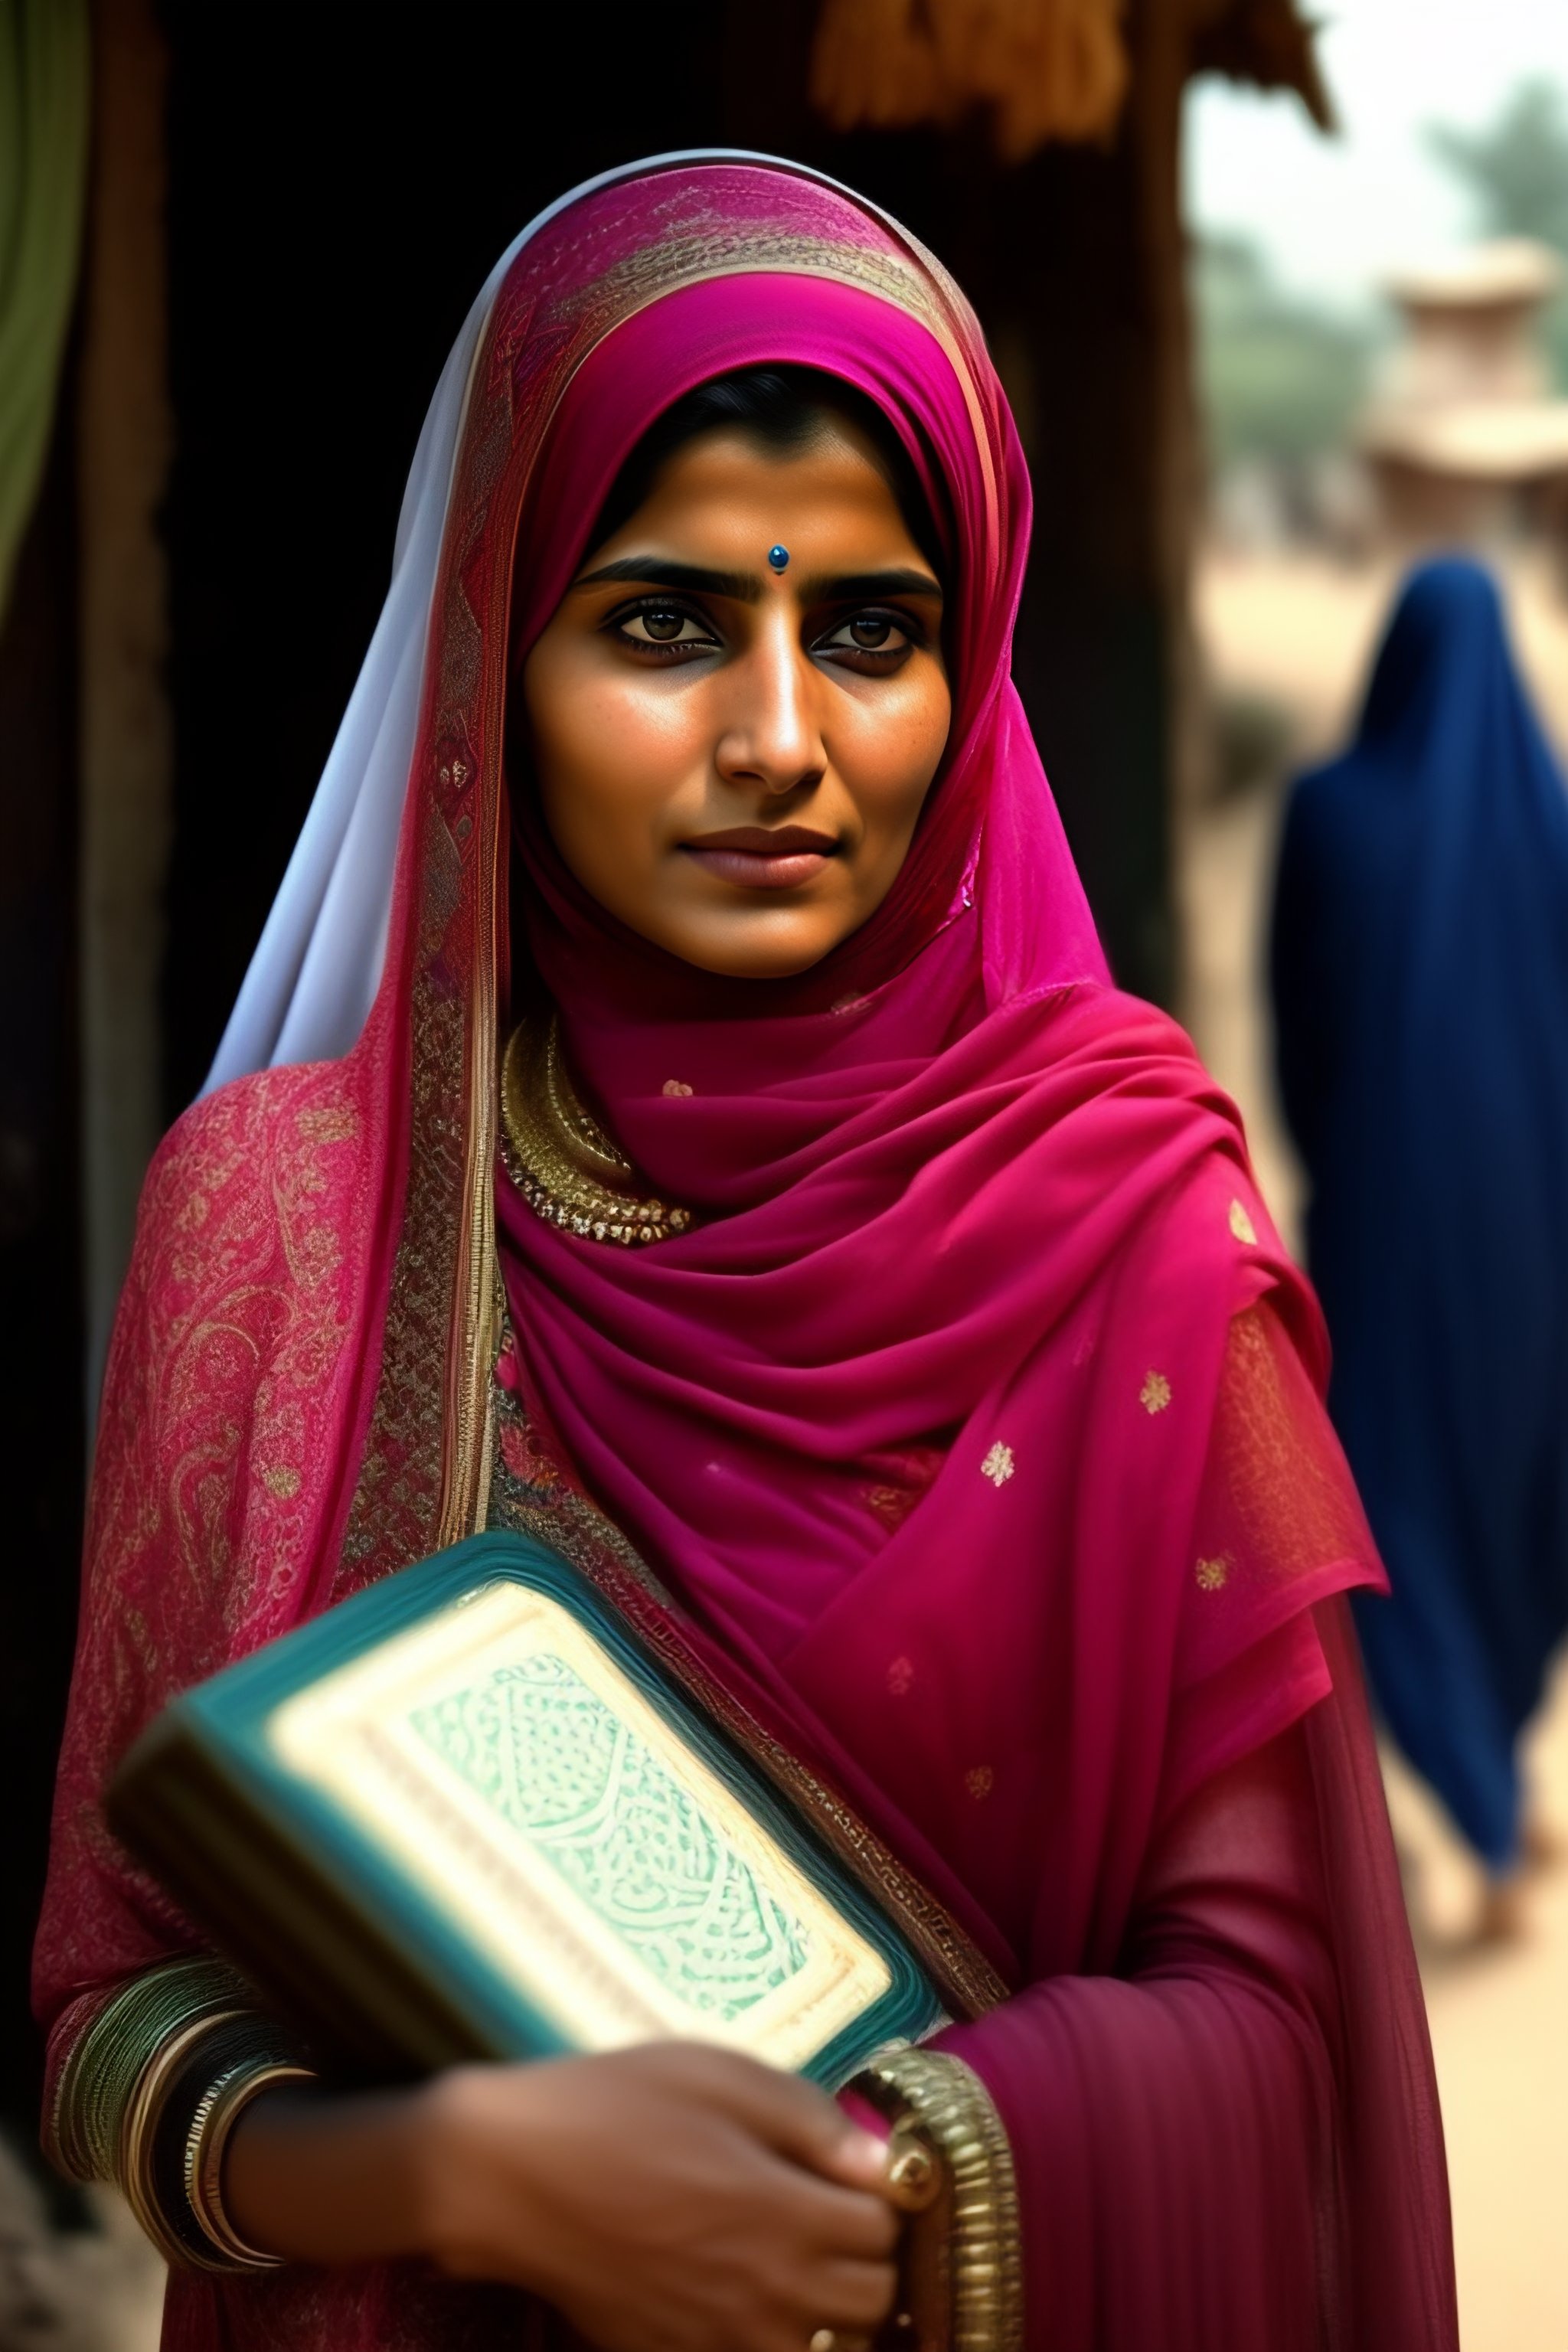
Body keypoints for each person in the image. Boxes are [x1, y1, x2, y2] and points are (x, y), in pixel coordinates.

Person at [35, 156, 1456, 2352]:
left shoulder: (1137, 1243)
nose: (780, 741)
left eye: (870, 632)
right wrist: (465, 2170)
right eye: (668, 623)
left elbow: (1285, 2039)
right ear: (499, 649)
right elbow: (112, 2007)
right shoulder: (279, 1223)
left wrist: (881, 2190)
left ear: (970, 668)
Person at [1271, 556, 1568, 1938]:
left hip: (1388, 1226)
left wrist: (1336, 1159)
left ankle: (1486, 1801)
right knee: (1511, 1488)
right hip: (1539, 1237)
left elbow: (1299, 1025)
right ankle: (1498, 1768)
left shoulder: (1331, 816)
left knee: (1398, 1495)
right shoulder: (1548, 824)